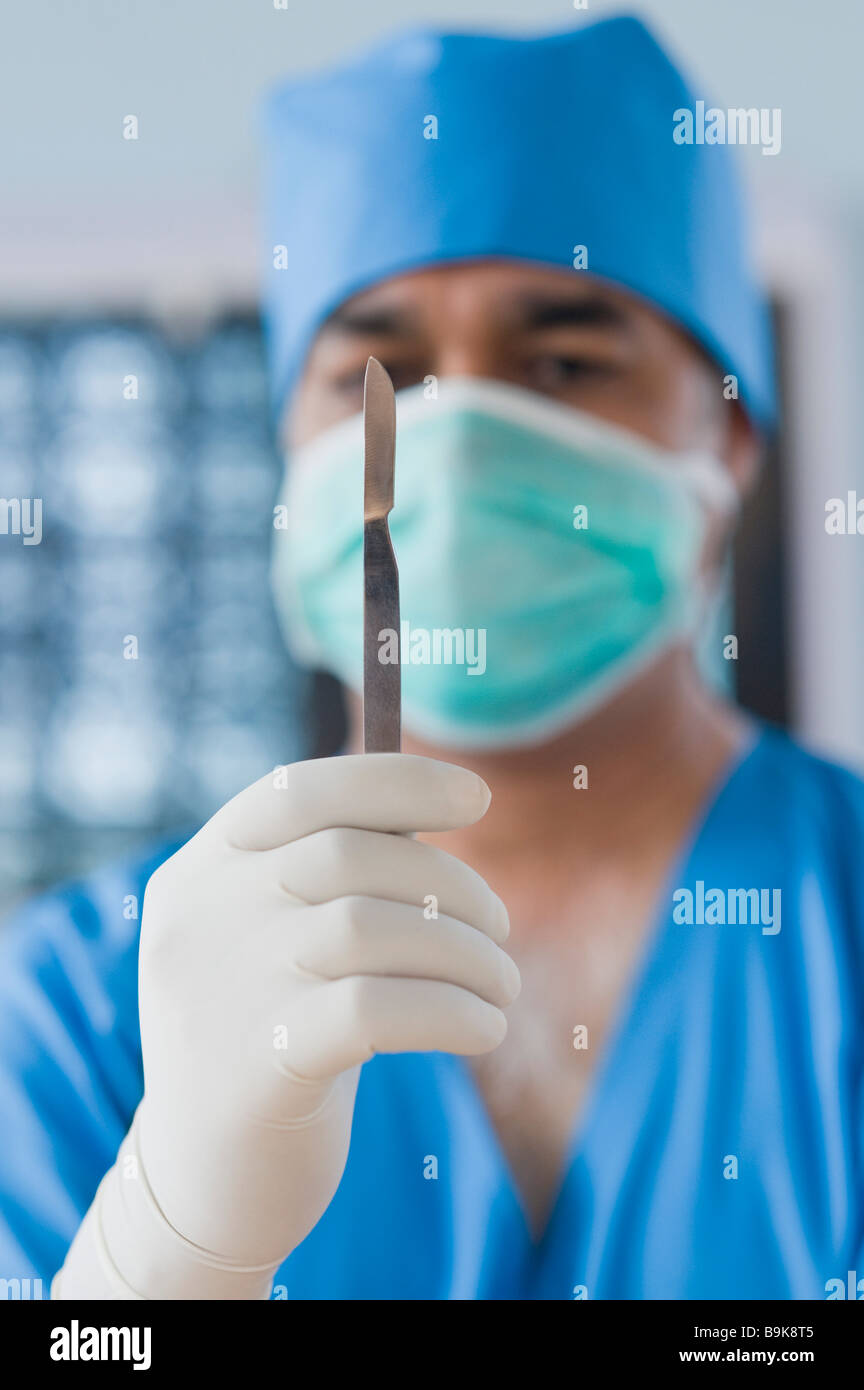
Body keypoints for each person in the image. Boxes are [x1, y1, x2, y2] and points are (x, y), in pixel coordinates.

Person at [2, 16, 863, 1302]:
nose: (449, 436)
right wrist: (170, 1252)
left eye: (563, 360)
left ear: (730, 440)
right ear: (289, 442)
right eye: (376, 370)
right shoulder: (90, 1002)